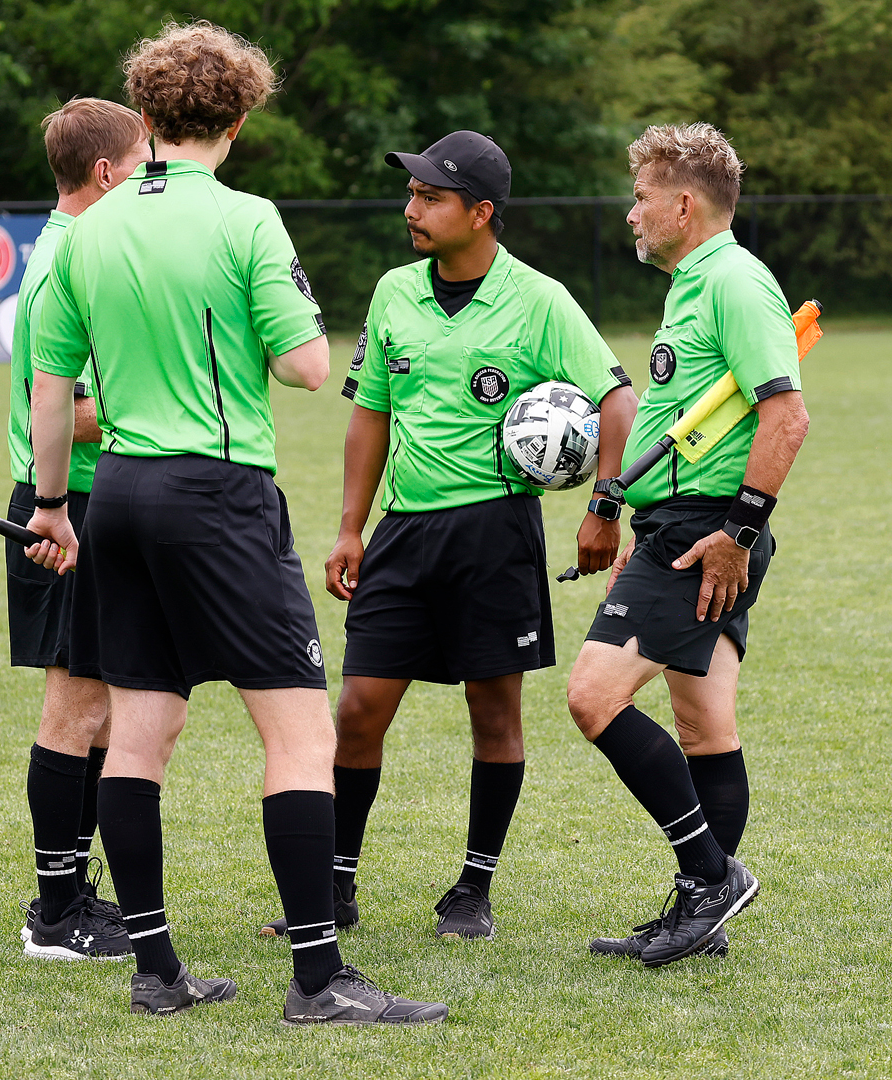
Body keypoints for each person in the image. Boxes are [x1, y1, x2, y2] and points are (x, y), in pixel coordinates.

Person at [24, 21, 447, 1025]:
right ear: (242, 115)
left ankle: (157, 970)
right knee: (299, 734)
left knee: (139, 733)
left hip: (115, 492)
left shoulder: (88, 230)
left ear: (150, 112)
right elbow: (307, 366)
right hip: (218, 494)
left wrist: (50, 507)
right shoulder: (248, 220)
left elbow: (50, 393)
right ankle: (316, 981)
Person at [263, 130, 637, 942]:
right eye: (413, 194)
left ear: (481, 212)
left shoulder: (538, 298)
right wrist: (350, 527)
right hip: (401, 535)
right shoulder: (395, 291)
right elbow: (370, 413)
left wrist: (604, 507)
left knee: (494, 713)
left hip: (494, 534)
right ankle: (335, 887)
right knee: (358, 710)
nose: (413, 209)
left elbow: (617, 399)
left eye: (431, 197)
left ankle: (473, 889)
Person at [567, 123, 809, 967]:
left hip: (707, 528)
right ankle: (699, 914)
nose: (631, 215)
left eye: (640, 198)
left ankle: (711, 876)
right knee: (705, 725)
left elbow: (787, 416)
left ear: (681, 202)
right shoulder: (694, 284)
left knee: (594, 698)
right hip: (675, 523)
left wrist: (735, 534)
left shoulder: (736, 282)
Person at [5, 97, 152, 960]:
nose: (150, 177)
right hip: (68, 501)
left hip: (83, 498)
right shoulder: (73, 262)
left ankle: (70, 898)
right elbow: (71, 408)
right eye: (141, 161)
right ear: (105, 173)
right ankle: (55, 915)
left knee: (94, 703)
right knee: (75, 704)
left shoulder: (65, 248)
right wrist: (178, 405)